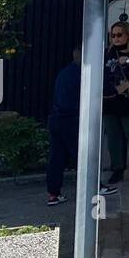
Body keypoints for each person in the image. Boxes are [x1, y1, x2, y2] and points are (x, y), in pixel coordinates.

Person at [99, 20, 129, 195]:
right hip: (110, 100)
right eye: (113, 35)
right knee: (113, 136)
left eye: (119, 35)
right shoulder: (107, 52)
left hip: (128, 101)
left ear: (128, 35)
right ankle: (117, 168)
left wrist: (128, 61)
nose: (116, 38)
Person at [45, 48, 81, 205]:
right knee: (81, 154)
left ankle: (53, 193)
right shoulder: (81, 74)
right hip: (69, 118)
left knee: (56, 157)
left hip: (56, 117)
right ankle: (95, 186)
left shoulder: (64, 73)